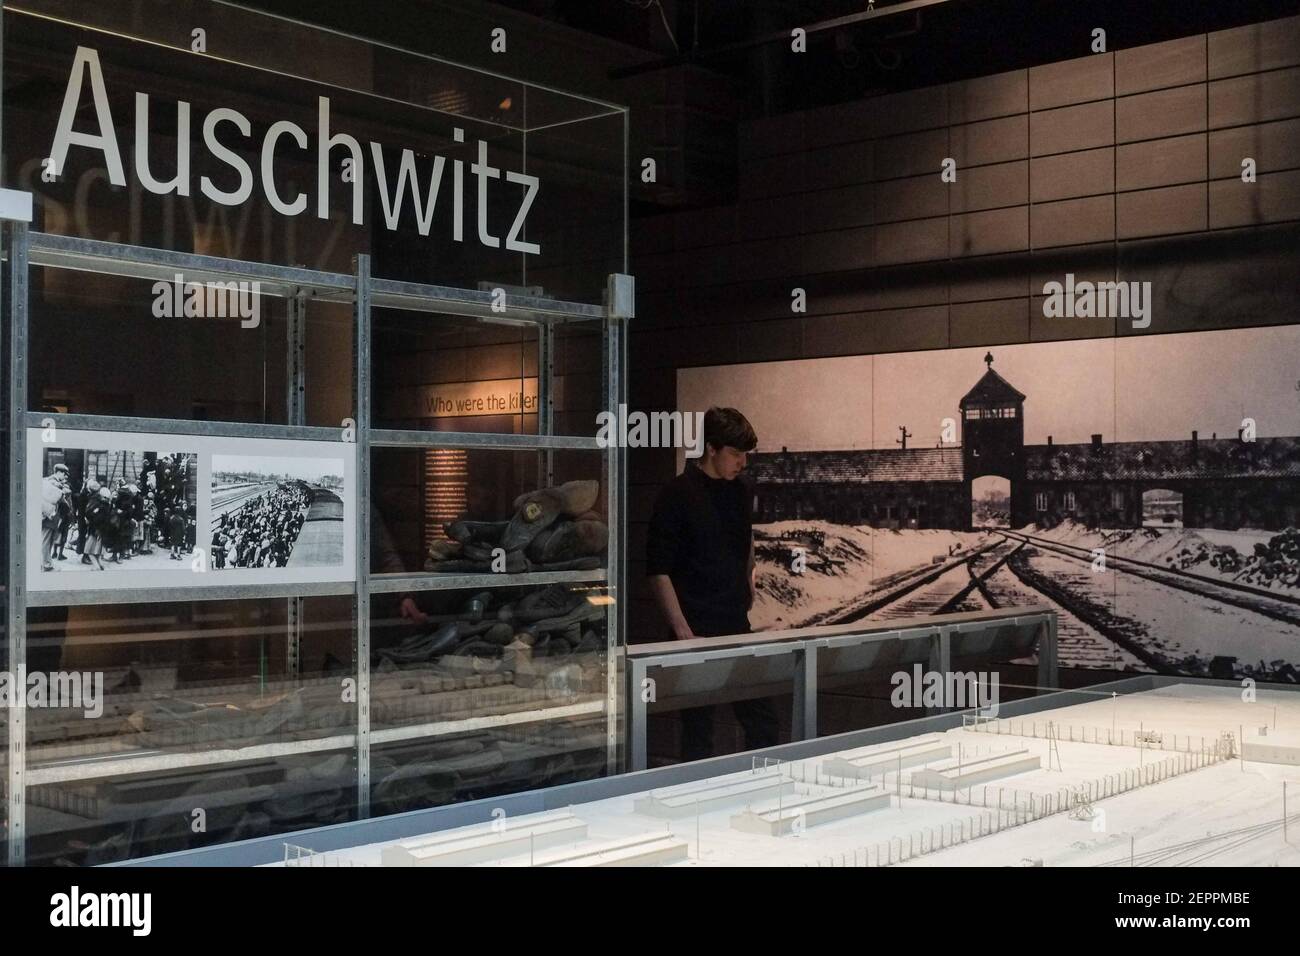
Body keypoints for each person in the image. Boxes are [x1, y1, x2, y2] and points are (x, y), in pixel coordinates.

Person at [646, 406, 779, 762]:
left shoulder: (738, 491)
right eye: (736, 454)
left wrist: (749, 580)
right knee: (698, 732)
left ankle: (759, 796)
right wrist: (682, 632)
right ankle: (697, 808)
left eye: (745, 455)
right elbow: (658, 570)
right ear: (711, 449)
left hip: (735, 623)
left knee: (764, 723)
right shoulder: (677, 494)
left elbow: (745, 540)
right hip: (696, 627)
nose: (743, 463)